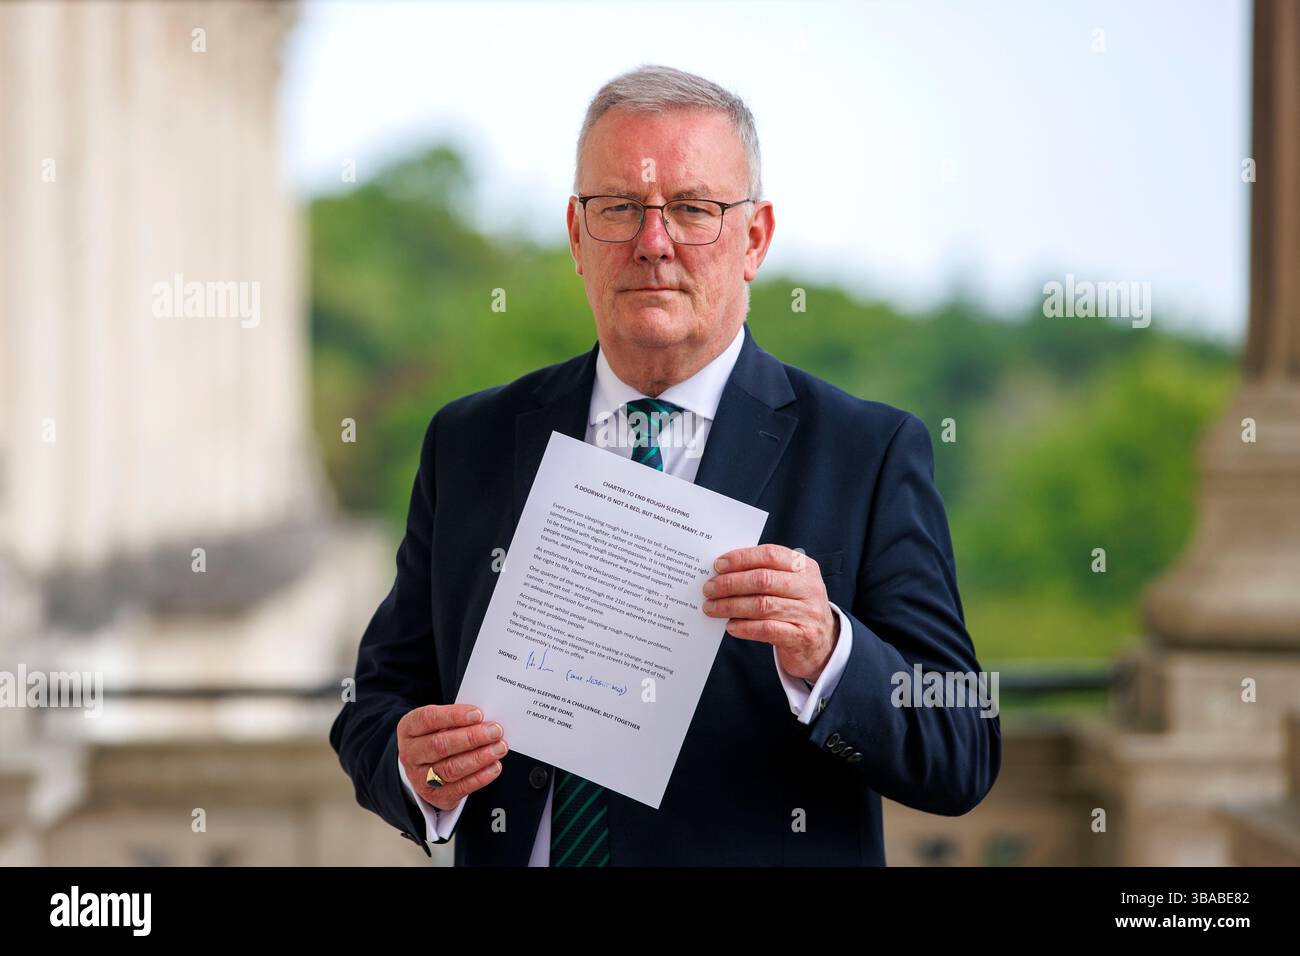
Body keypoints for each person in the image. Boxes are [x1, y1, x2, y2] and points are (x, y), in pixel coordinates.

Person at [329, 64, 1000, 866]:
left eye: (692, 209)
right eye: (620, 209)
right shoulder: (471, 440)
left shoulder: (868, 452)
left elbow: (962, 747)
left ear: (754, 238)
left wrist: (829, 653)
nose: (654, 243)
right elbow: (376, 703)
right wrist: (415, 766)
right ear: (578, 238)